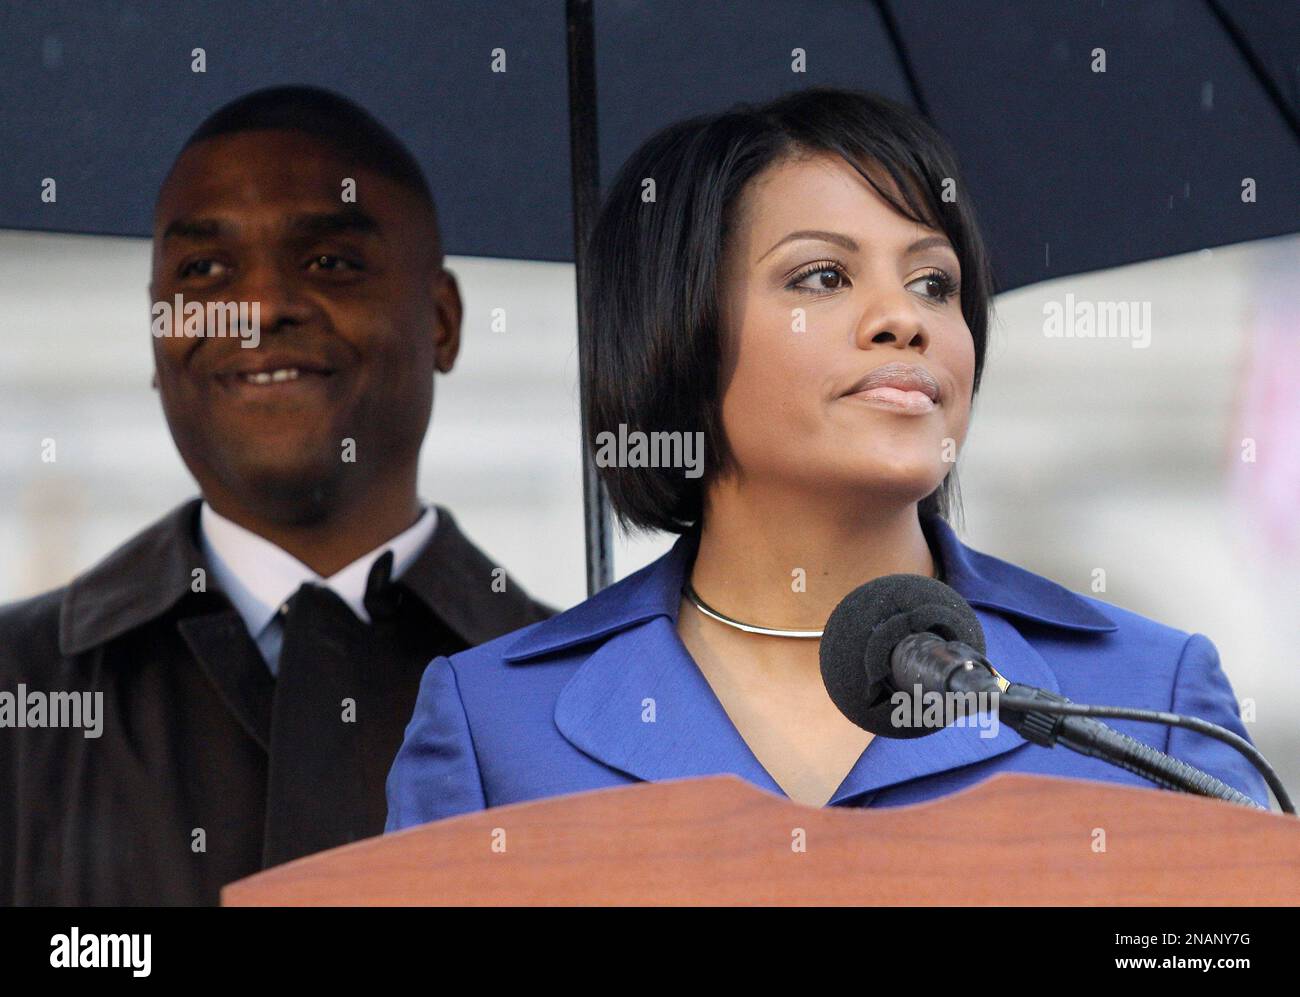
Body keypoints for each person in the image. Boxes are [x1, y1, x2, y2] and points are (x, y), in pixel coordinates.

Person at [386, 87, 1269, 829]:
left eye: (935, 281)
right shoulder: (494, 724)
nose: (906, 318)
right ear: (679, 334)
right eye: (822, 276)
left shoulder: (1146, 696)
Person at [0, 86, 552, 905]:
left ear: (441, 319)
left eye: (329, 262)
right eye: (204, 271)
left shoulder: (581, 696)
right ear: (156, 333)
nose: (256, 309)